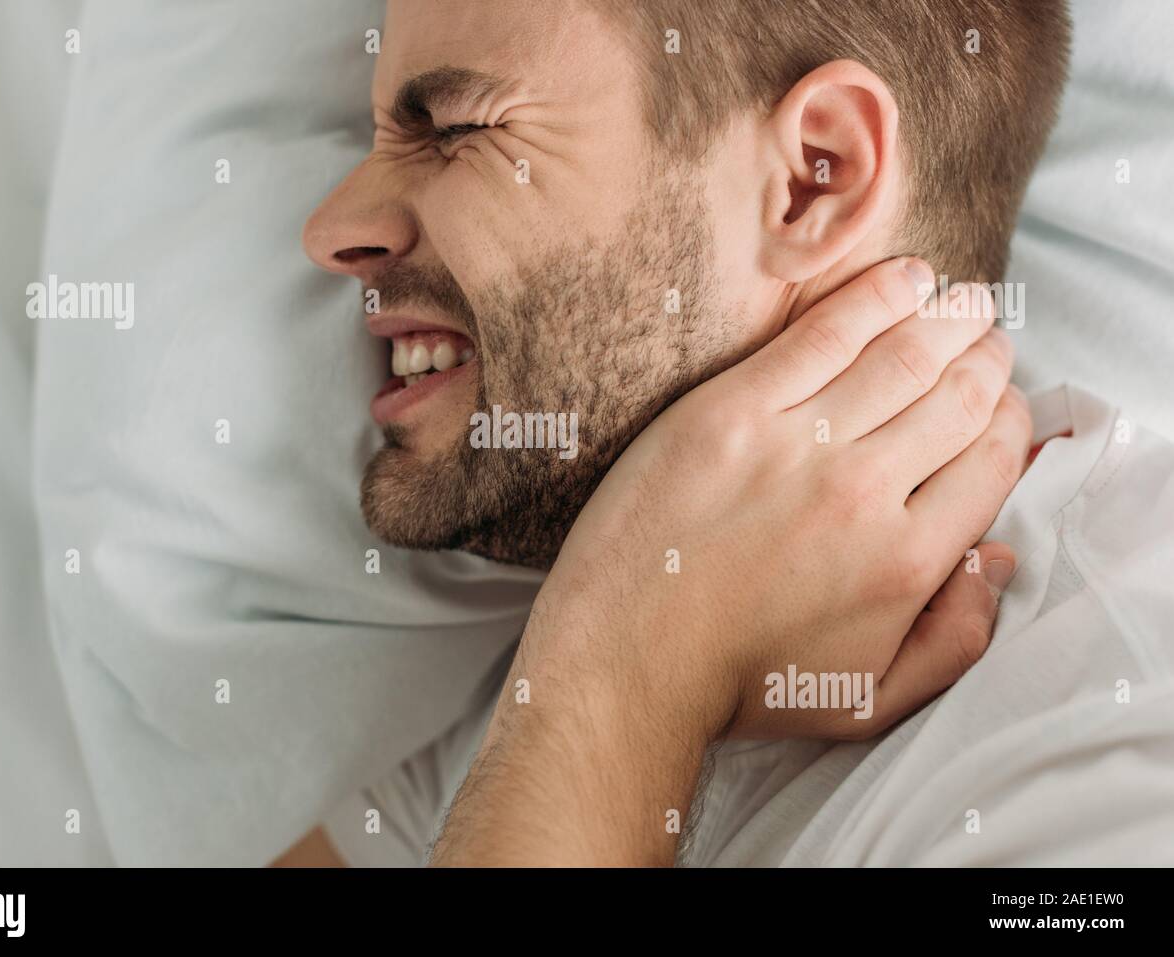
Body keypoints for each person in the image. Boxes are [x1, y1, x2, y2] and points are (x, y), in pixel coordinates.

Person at [288, 0, 1174, 866]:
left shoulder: (1120, 729)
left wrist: (634, 674)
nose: (331, 230)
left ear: (811, 180)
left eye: (454, 129)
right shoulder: (542, 652)